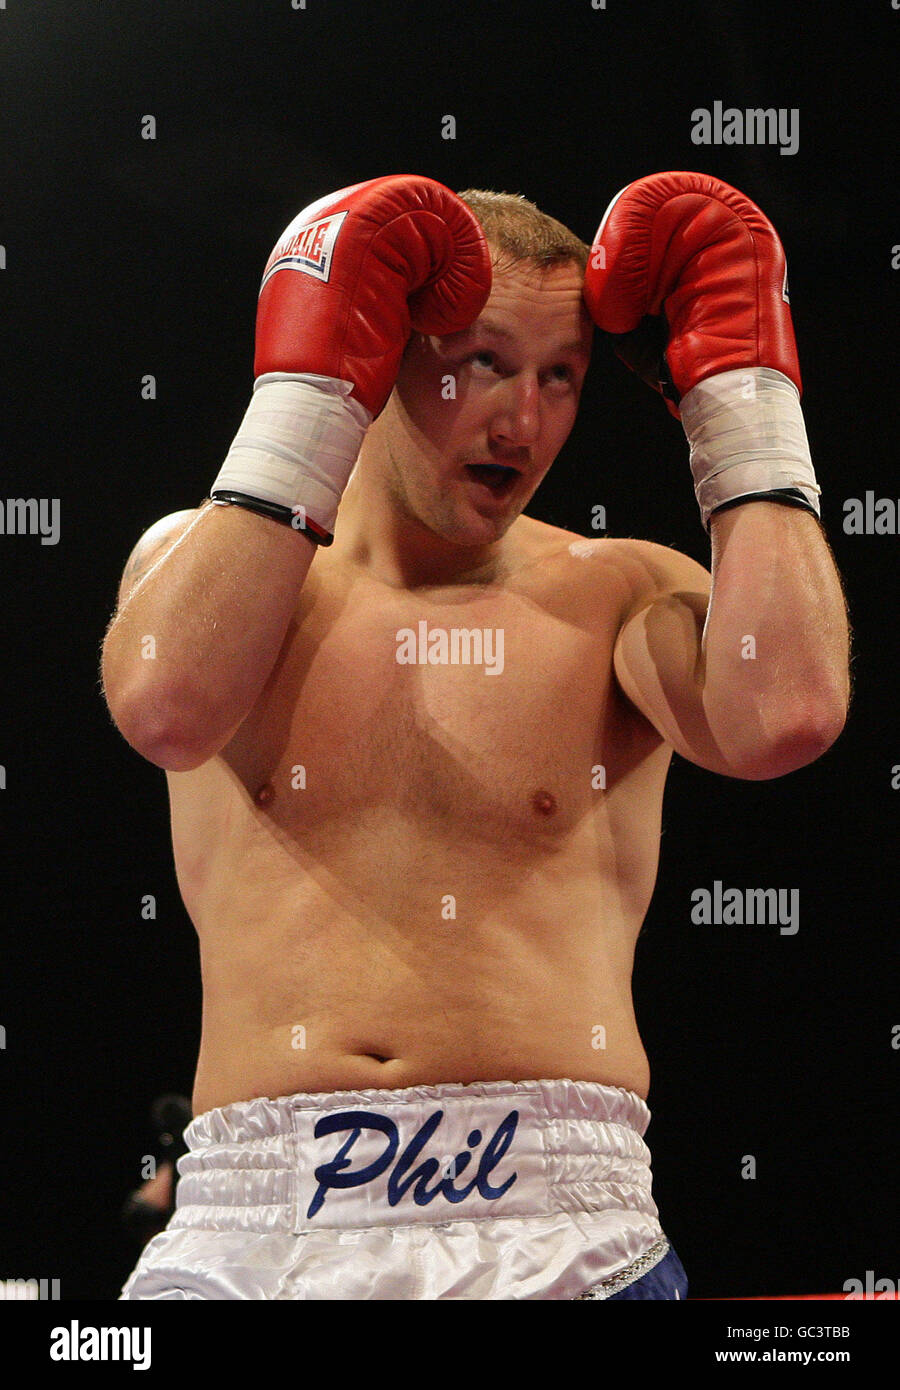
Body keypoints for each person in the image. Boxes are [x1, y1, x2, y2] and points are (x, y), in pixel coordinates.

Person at [102, 172, 850, 1300]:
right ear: (380, 345)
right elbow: (166, 707)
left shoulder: (619, 594)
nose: (523, 418)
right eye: (485, 362)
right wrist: (307, 403)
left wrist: (742, 402)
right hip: (254, 1231)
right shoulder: (218, 574)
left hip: (562, 1225)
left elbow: (788, 712)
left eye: (562, 376)